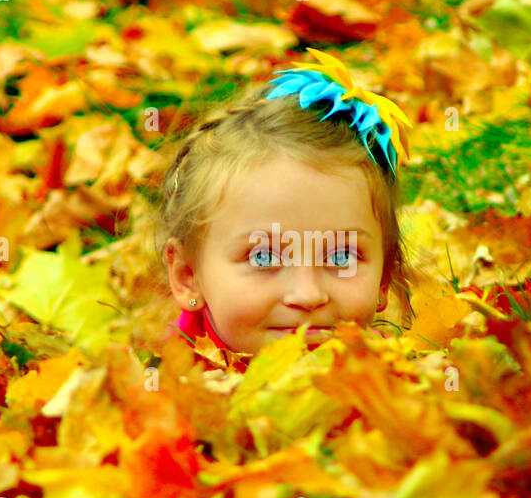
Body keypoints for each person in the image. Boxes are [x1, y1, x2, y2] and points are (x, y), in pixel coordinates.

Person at [151, 49, 418, 365]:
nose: (308, 295)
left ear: (383, 278)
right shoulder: (163, 397)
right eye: (263, 257)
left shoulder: (396, 384)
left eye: (342, 257)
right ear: (188, 276)